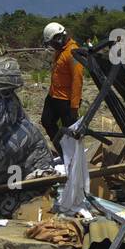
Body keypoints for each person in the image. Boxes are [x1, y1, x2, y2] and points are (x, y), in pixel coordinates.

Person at [40, 21, 83, 152]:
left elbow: (77, 80)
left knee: (70, 132)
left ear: (58, 38)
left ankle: (72, 156)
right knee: (47, 121)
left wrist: (74, 106)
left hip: (66, 101)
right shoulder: (60, 51)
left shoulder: (73, 52)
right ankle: (62, 151)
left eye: (52, 43)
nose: (52, 46)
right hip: (53, 96)